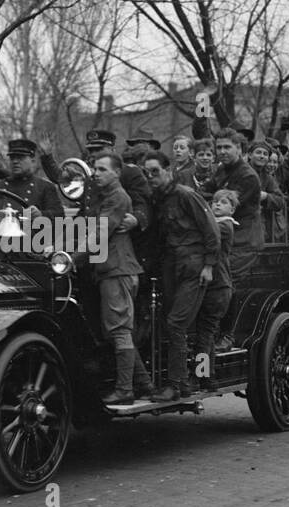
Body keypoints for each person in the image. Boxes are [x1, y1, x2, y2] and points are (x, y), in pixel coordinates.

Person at [141, 151, 221, 401]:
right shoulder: (158, 200)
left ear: (168, 170)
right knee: (172, 324)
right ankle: (186, 383)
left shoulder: (186, 195)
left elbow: (212, 231)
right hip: (172, 265)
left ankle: (175, 385)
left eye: (155, 171)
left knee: (176, 323)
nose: (151, 177)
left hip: (193, 266)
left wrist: (208, 266)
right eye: (146, 173)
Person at [86, 153, 151, 405]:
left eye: (102, 169)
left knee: (119, 331)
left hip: (117, 270)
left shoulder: (117, 197)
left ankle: (125, 390)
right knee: (117, 331)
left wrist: (70, 257)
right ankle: (144, 384)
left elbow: (99, 234)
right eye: (95, 169)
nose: (96, 173)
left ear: (117, 173)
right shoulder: (105, 197)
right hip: (113, 269)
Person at [200, 128, 264, 349]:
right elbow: (204, 193)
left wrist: (208, 197)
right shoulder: (220, 171)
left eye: (227, 147)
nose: (222, 151)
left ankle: (227, 334)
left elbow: (226, 203)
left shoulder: (247, 176)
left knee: (227, 279)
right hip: (222, 234)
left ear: (239, 148)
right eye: (219, 147)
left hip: (243, 240)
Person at [193, 189, 236, 386]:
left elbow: (208, 233)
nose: (217, 204)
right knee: (206, 333)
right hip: (215, 286)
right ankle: (207, 375)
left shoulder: (225, 226)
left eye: (224, 202)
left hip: (218, 287)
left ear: (232, 209)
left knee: (206, 332)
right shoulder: (218, 223)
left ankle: (203, 375)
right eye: (215, 201)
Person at [0, 138, 65, 226]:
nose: (15, 161)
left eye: (20, 158)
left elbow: (60, 217)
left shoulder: (45, 187)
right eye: (12, 158)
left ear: (33, 161)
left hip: (33, 237)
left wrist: (41, 214)